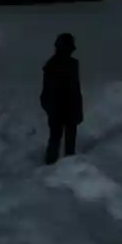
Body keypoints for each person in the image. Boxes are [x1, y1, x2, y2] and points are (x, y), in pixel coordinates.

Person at [40, 32, 84, 165]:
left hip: (66, 108)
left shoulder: (65, 65)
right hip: (59, 108)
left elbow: (76, 90)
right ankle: (53, 166)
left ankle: (61, 167)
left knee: (62, 140)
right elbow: (48, 92)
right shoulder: (53, 66)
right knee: (57, 139)